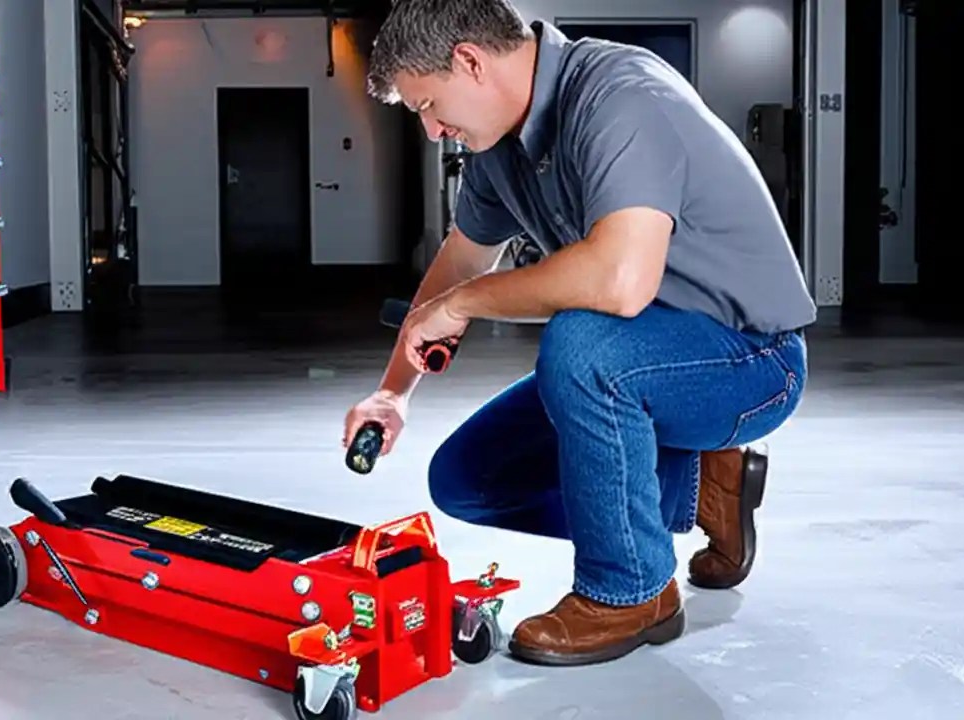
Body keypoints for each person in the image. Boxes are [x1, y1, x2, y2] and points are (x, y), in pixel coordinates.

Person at [343, 0, 815, 667]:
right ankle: (704, 478)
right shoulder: (496, 153)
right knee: (467, 480)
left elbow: (620, 281)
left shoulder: (621, 96)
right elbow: (458, 267)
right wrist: (394, 392)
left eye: (426, 104)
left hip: (752, 359)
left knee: (580, 344)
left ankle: (633, 591)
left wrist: (469, 304)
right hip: (641, 361)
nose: (430, 130)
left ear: (469, 62)